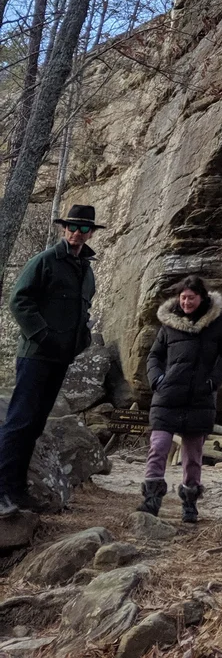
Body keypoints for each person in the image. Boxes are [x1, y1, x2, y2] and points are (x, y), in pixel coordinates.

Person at [0, 204, 104, 516]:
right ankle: (2, 491)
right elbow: (19, 300)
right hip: (35, 356)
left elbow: (82, 313)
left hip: (60, 359)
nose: (76, 233)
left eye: (83, 229)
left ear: (90, 233)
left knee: (34, 424)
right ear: (63, 229)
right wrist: (44, 336)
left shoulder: (86, 272)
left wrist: (81, 341)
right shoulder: (45, 261)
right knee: (20, 421)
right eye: (72, 227)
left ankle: (17, 491)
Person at [140, 274, 222, 524]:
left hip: (199, 399)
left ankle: (190, 504)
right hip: (168, 396)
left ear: (201, 298)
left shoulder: (218, 322)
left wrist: (213, 381)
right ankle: (151, 500)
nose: (186, 302)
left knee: (192, 457)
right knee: (158, 447)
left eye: (190, 298)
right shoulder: (169, 324)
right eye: (182, 297)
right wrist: (157, 380)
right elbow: (154, 356)